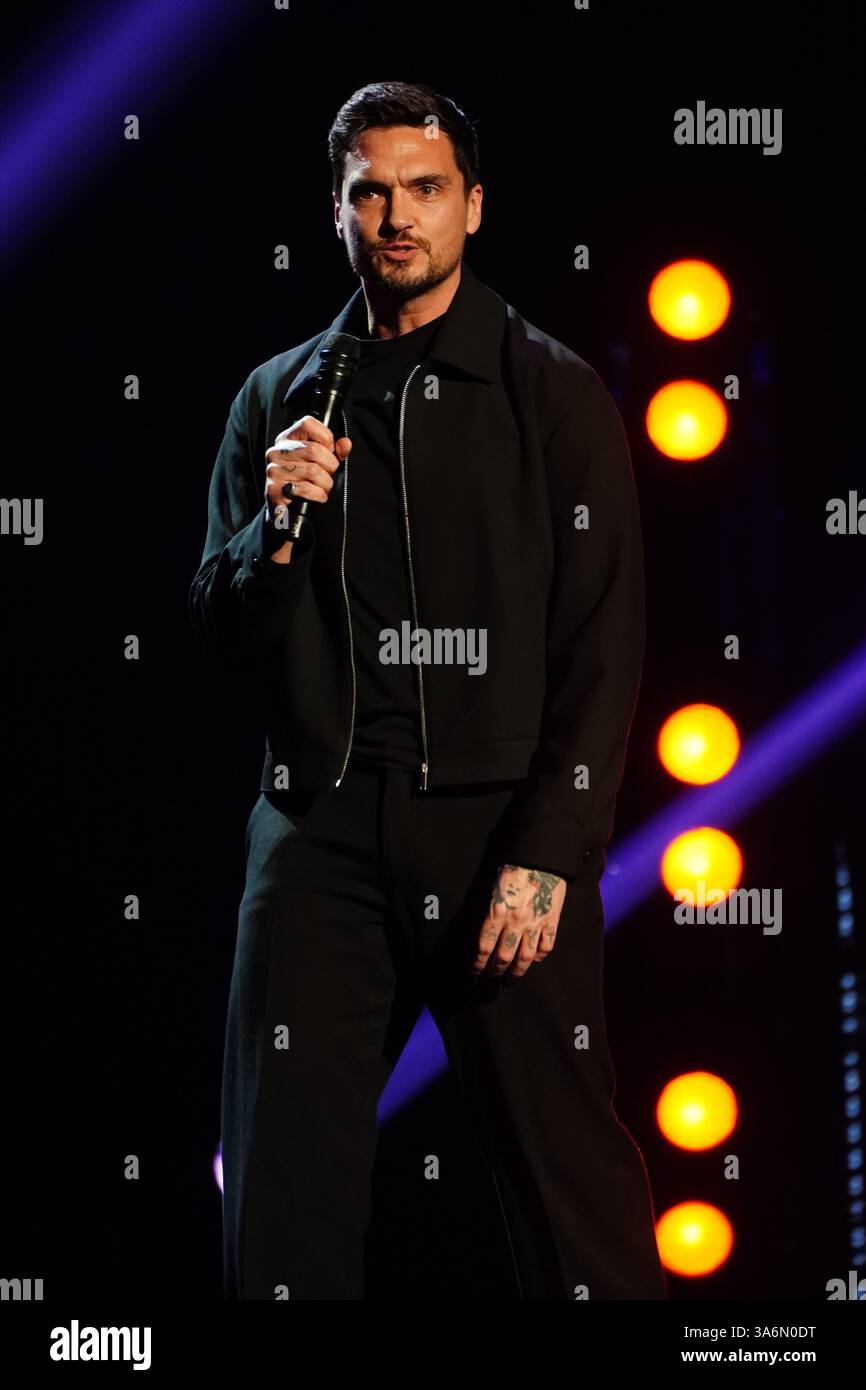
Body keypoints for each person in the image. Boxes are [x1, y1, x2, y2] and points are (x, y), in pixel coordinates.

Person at [189, 79, 669, 1301]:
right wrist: (274, 534)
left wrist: (552, 850)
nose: (394, 215)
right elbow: (212, 642)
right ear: (336, 214)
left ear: (470, 205)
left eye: (422, 188)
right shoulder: (275, 399)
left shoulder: (546, 389)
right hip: (320, 836)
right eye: (368, 192)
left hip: (495, 830)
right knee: (280, 1198)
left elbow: (602, 638)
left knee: (573, 1201)